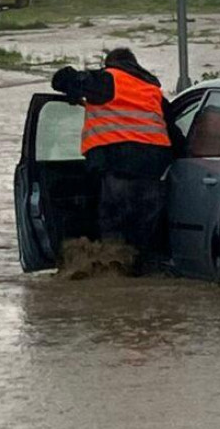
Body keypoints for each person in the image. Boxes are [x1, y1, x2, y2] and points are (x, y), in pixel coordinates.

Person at [51, 48, 173, 268]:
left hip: (119, 165)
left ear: (110, 64)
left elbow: (60, 79)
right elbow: (174, 133)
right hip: (154, 171)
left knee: (114, 228)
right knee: (144, 235)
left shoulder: (108, 80)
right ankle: (141, 279)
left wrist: (74, 89)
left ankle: (112, 278)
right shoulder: (153, 91)